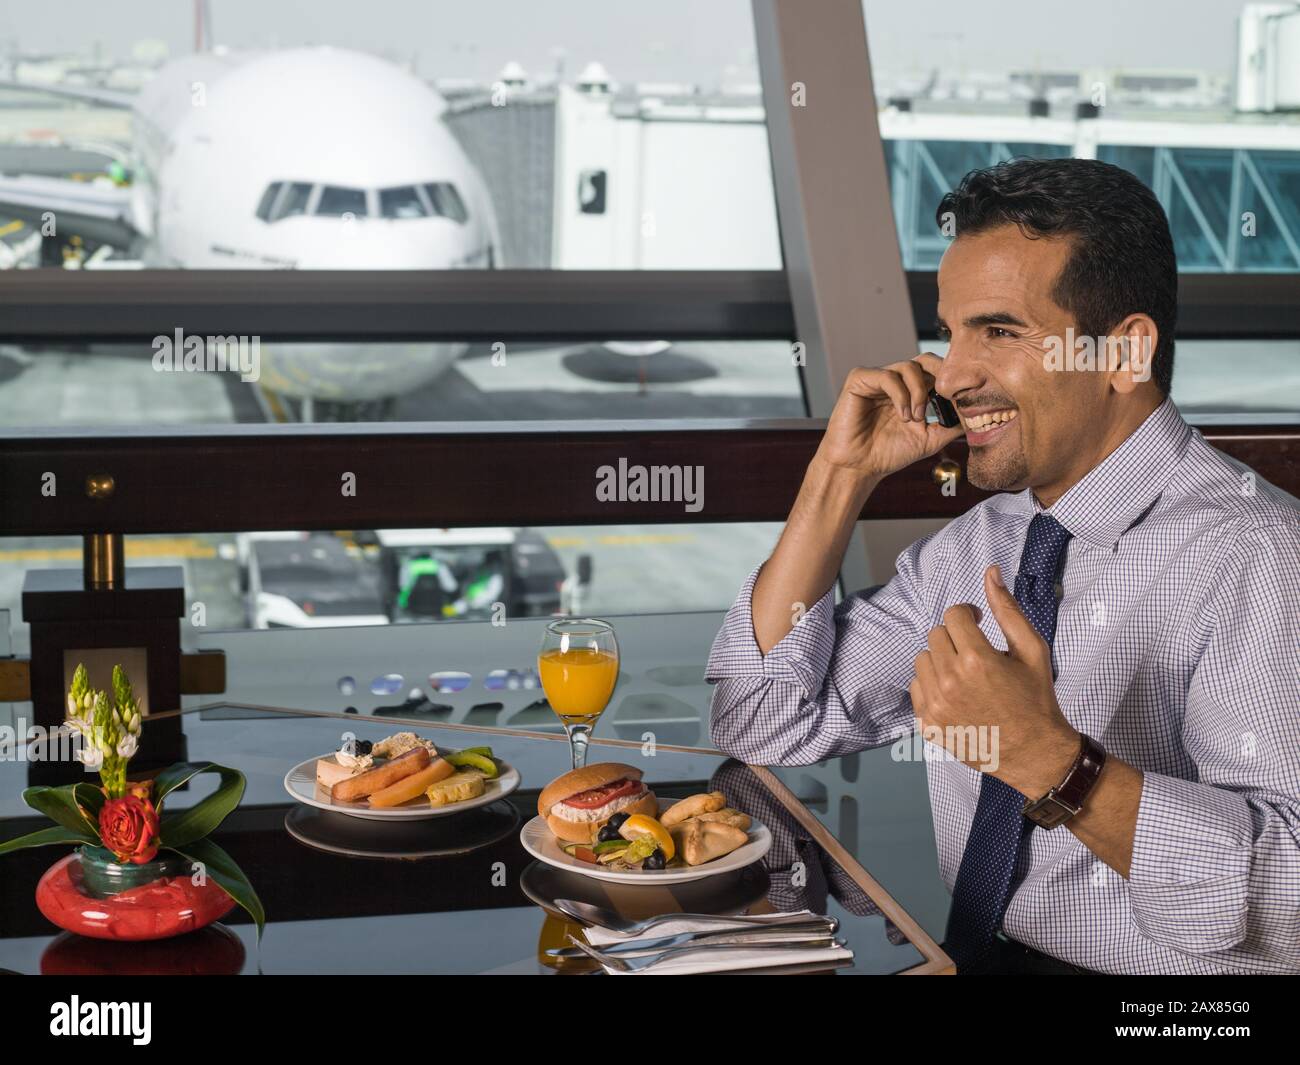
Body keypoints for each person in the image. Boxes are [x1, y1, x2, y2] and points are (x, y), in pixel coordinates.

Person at [706, 157, 1300, 975]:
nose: (951, 375)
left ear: (1124, 353)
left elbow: (1292, 903)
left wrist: (1054, 762)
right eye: (950, 332)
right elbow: (763, 717)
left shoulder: (1256, 553)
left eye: (1000, 331)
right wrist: (840, 477)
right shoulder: (980, 543)